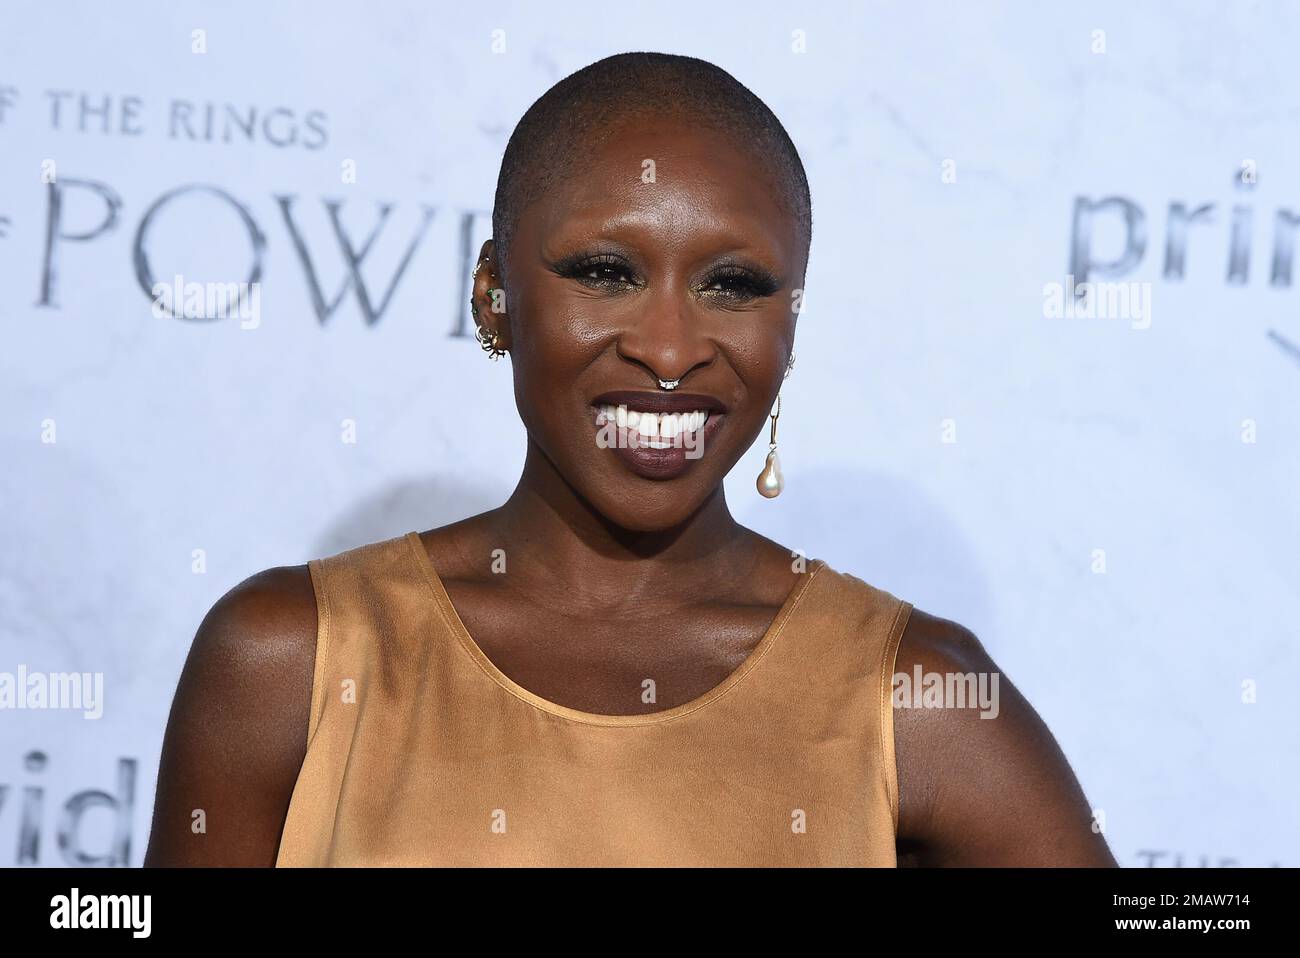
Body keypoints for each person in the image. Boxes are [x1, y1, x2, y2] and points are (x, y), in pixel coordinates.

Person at [144, 52, 1117, 867]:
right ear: (492, 297)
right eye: (605, 273)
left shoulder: (910, 694)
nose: (666, 347)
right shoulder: (289, 659)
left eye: (733, 285)